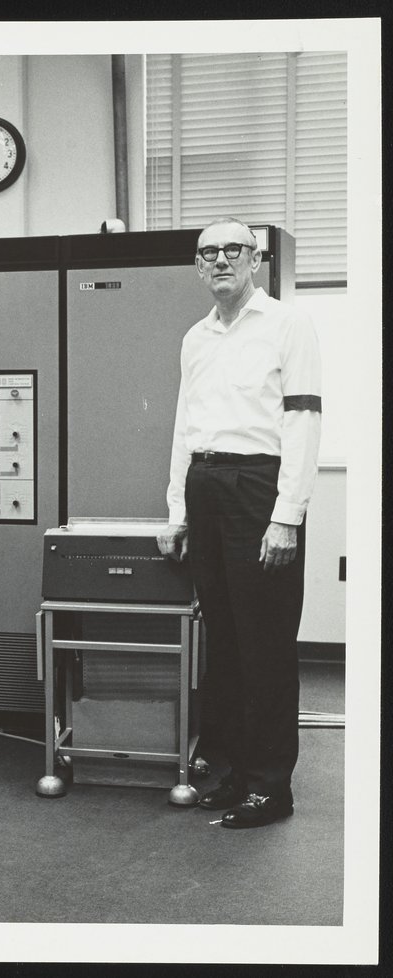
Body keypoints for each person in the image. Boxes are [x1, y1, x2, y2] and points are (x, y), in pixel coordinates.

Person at [158, 218, 322, 829]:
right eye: (209, 252)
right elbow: (184, 427)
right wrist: (178, 511)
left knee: (266, 644)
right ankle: (234, 773)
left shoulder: (287, 324)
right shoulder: (195, 337)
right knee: (223, 644)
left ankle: (271, 787)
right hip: (205, 485)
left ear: (255, 259)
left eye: (234, 249)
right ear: (198, 266)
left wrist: (287, 517)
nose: (221, 260)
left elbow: (303, 421)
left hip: (259, 488)